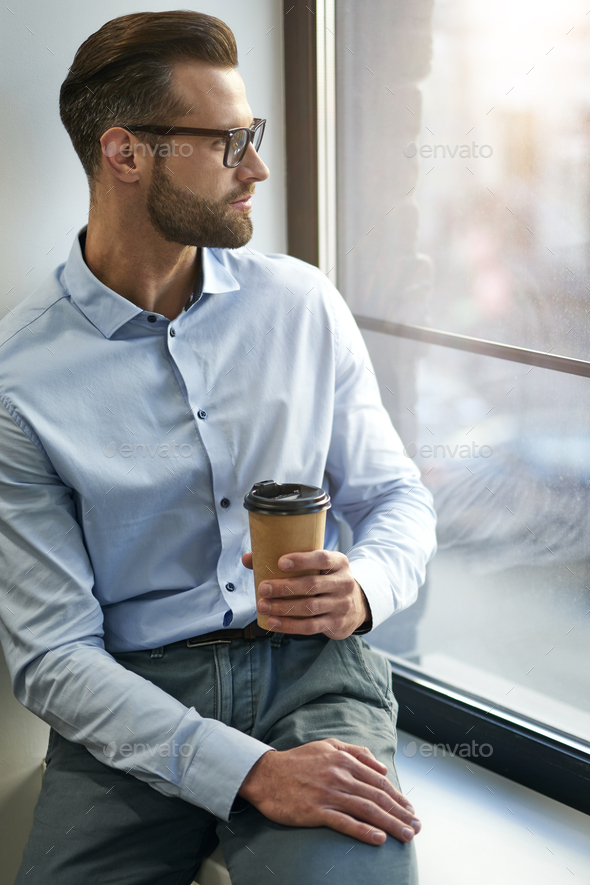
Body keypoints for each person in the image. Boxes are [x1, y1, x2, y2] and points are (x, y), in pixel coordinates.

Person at [0, 11, 436, 884]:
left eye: (256, 135)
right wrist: (250, 771)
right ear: (126, 154)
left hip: (315, 679)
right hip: (135, 703)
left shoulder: (303, 305)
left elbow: (399, 498)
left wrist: (365, 586)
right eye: (230, 141)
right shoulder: (20, 380)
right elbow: (52, 655)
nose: (258, 168)